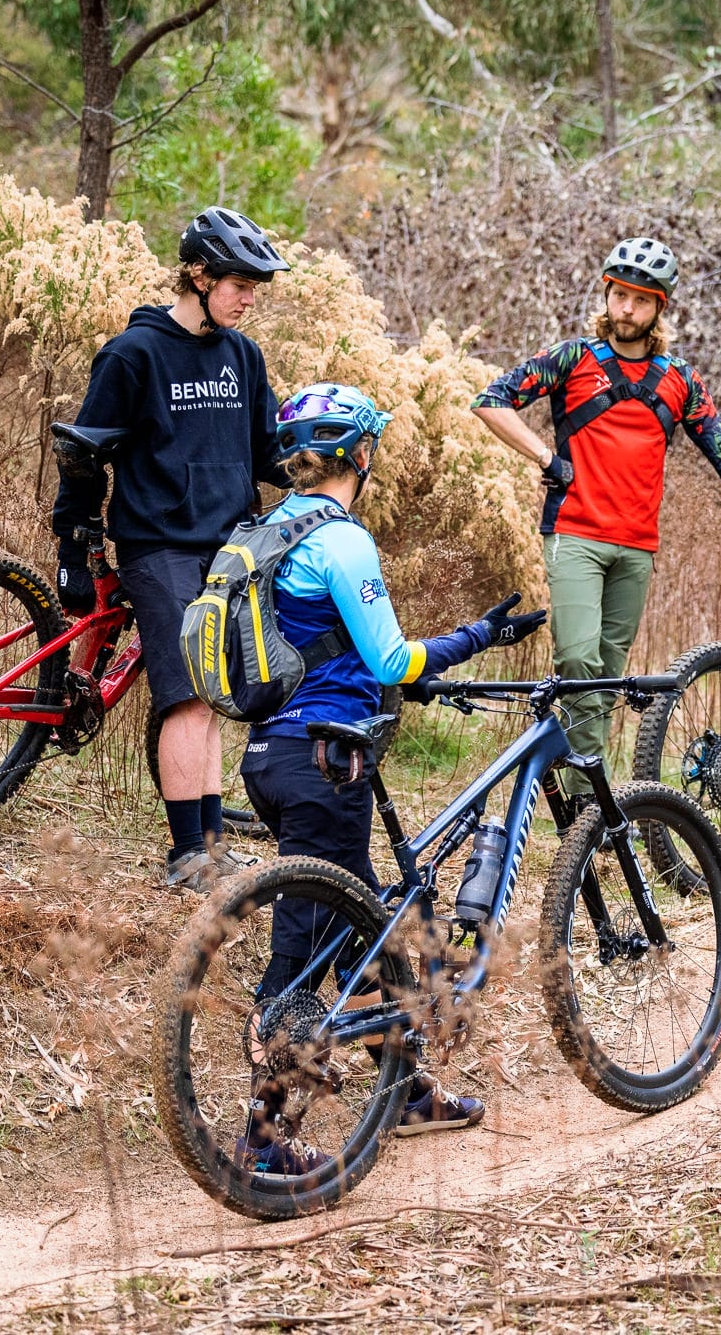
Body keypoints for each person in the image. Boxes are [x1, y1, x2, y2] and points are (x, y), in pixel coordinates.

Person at [237, 382, 546, 1175]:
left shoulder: (267, 529)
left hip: (269, 759)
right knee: (299, 961)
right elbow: (393, 662)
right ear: (362, 454)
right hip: (324, 760)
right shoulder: (341, 541)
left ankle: (404, 1094)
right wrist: (480, 636)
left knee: (362, 932)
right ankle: (264, 1148)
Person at [470, 237, 721, 797]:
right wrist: (547, 458)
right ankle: (597, 801)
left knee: (607, 675)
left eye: (641, 300)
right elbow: (491, 400)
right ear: (607, 295)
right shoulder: (574, 359)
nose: (627, 309)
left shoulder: (680, 380)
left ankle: (577, 800)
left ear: (660, 307)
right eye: (619, 296)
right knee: (577, 659)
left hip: (637, 547)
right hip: (575, 534)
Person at [52, 205, 290, 891]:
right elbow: (84, 451)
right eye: (241, 284)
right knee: (186, 699)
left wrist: (327, 462)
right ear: (198, 273)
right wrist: (75, 539)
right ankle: (188, 857)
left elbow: (268, 452)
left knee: (213, 696)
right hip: (158, 546)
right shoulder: (134, 353)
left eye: (255, 287)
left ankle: (212, 849)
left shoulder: (242, 355)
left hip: (229, 550)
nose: (250, 299)